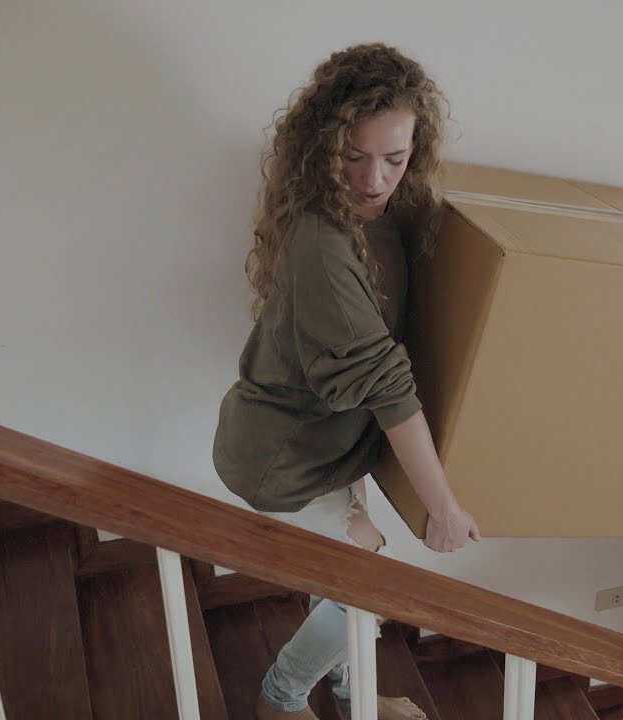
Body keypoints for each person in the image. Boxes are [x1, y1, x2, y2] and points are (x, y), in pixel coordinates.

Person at [213, 43, 479, 720]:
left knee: (350, 571)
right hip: (283, 455)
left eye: (394, 159)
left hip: (331, 440)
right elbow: (386, 382)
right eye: (354, 157)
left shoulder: (387, 218)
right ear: (322, 150)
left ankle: (352, 689)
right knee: (366, 580)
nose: (373, 179)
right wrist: (442, 506)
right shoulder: (321, 244)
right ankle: (283, 694)